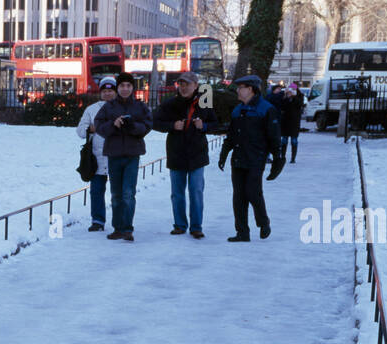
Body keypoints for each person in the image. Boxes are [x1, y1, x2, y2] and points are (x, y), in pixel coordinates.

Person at [151, 71, 218, 238]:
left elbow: (215, 124)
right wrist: (172, 125)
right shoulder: (170, 104)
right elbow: (154, 122)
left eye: (187, 84)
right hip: (176, 153)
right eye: (181, 84)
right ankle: (180, 225)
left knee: (196, 191)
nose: (183, 87)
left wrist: (204, 126)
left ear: (196, 85)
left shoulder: (204, 103)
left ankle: (196, 226)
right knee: (177, 193)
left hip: (197, 154)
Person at [218, 74, 284, 242]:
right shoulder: (238, 110)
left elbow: (274, 137)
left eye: (241, 87)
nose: (238, 91)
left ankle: (263, 222)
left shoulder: (266, 109)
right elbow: (231, 136)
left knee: (253, 192)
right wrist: (224, 153)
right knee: (238, 197)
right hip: (238, 158)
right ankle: (242, 232)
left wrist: (278, 160)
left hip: (256, 158)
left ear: (251, 90)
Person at [93, 72, 152, 241]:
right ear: (118, 88)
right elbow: (99, 127)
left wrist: (132, 125)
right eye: (122, 86)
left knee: (128, 192)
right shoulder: (109, 107)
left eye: (128, 86)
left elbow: (147, 126)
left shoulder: (140, 106)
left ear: (133, 88)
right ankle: (117, 227)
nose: (125, 89)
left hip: (133, 154)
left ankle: (127, 228)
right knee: (116, 193)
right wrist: (114, 124)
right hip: (114, 153)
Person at [75, 77, 113, 231]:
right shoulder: (91, 109)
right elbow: (79, 131)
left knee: (118, 193)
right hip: (96, 158)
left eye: (110, 91)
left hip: (116, 155)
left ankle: (120, 223)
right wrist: (89, 128)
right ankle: (97, 220)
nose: (108, 94)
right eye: (105, 91)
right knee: (96, 191)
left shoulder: (121, 108)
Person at [279, 82, 304, 162]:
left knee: (294, 140)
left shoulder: (300, 96)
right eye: (290, 89)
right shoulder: (285, 96)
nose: (291, 91)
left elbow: (299, 105)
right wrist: (286, 96)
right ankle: (282, 156)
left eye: (293, 89)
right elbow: (282, 106)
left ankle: (293, 158)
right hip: (285, 122)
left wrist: (294, 97)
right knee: (284, 140)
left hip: (294, 122)